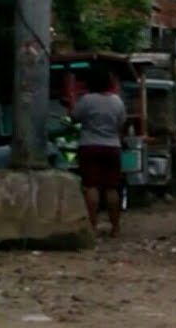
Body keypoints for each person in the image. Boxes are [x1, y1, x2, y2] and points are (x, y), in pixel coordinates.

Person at [72, 77, 127, 237]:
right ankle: (115, 227)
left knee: (91, 186)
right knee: (112, 187)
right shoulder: (117, 101)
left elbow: (75, 117)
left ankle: (93, 226)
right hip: (112, 147)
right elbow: (121, 123)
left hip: (89, 146)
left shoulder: (87, 100)